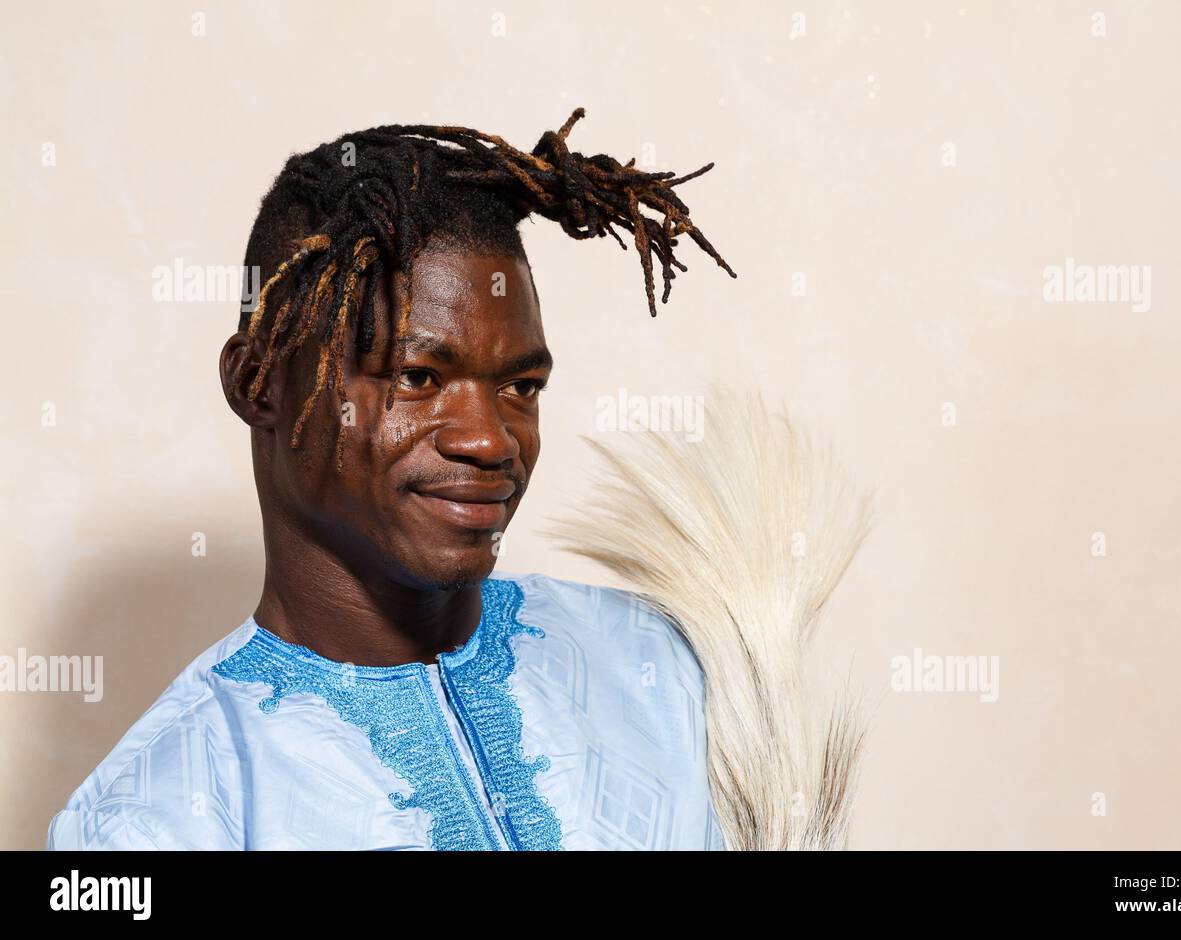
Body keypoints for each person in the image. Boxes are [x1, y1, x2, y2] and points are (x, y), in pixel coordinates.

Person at [47, 109, 736, 850]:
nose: (489, 439)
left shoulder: (660, 663)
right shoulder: (160, 816)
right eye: (417, 376)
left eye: (521, 387)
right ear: (258, 385)